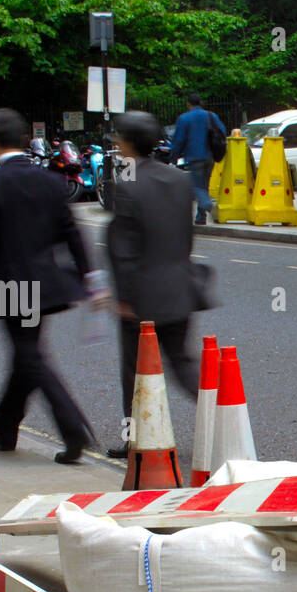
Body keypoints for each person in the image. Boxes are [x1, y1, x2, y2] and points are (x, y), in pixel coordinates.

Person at [0, 108, 98, 464]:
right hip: (47, 284)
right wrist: (90, 276)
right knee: (26, 353)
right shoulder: (50, 181)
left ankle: (74, 429)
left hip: (8, 287)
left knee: (30, 357)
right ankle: (4, 428)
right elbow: (71, 231)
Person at [104, 111, 205, 459]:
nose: (115, 143)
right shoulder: (178, 180)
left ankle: (136, 439)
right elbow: (186, 236)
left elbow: (124, 249)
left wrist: (125, 298)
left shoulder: (127, 184)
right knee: (182, 362)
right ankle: (223, 412)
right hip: (180, 287)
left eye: (119, 137)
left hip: (143, 298)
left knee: (134, 372)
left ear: (129, 143)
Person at [169, 93, 227, 225]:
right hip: (210, 156)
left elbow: (178, 140)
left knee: (196, 186)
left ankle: (207, 205)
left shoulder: (184, 118)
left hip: (195, 157)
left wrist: (173, 157)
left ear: (188, 104)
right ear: (201, 103)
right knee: (204, 186)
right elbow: (222, 131)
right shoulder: (211, 116)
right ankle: (201, 217)